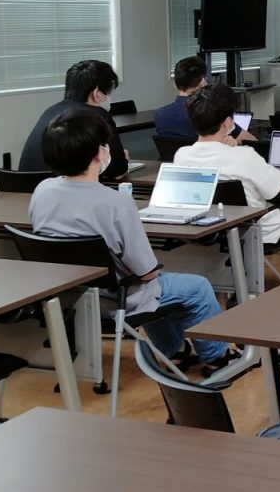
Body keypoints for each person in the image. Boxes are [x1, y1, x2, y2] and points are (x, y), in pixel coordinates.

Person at [29, 108, 234, 371]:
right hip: (118, 299)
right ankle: (217, 358)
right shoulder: (115, 202)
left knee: (160, 286)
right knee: (195, 287)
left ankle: (174, 351)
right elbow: (146, 272)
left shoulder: (43, 191)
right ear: (99, 153)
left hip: (69, 297)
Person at [174, 84, 280, 283]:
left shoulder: (181, 155)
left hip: (211, 228)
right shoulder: (243, 156)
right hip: (257, 228)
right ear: (227, 122)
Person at [19, 60, 129, 179]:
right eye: (107, 93)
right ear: (96, 93)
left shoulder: (50, 111)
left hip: (25, 187)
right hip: (65, 187)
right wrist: (124, 160)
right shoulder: (97, 115)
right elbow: (116, 170)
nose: (108, 98)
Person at [153, 56, 255, 142]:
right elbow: (251, 141)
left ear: (175, 84)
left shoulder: (160, 115)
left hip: (175, 159)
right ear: (202, 82)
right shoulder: (208, 112)